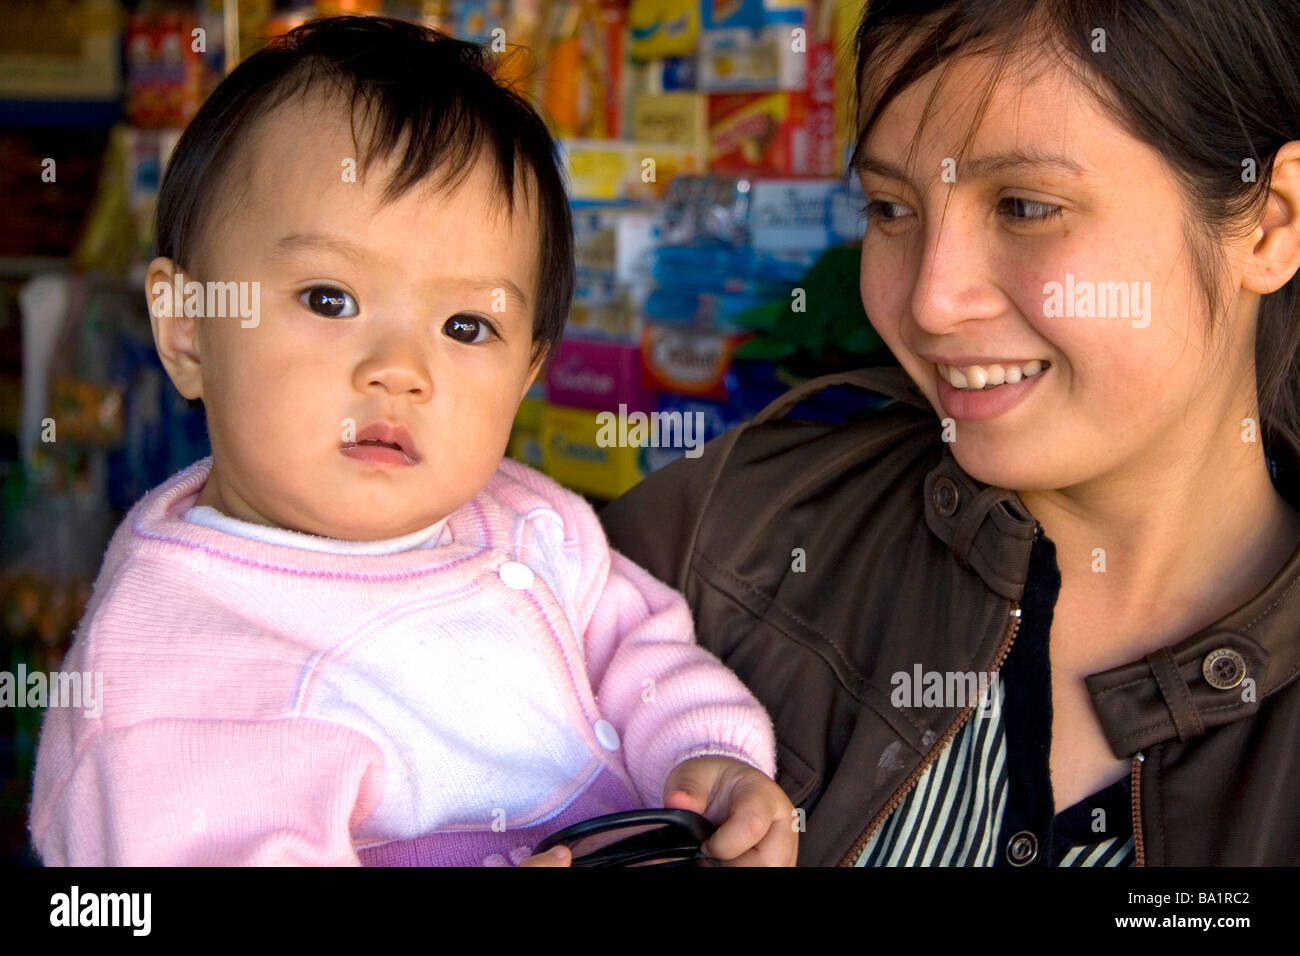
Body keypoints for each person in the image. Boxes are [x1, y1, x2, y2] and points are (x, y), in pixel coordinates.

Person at [27, 16, 796, 867]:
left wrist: (708, 762)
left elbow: (641, 649)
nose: (401, 370)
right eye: (328, 300)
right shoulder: (171, 677)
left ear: (530, 370)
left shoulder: (531, 522)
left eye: (466, 326)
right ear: (187, 328)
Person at [602, 0, 1300, 866]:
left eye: (1025, 205)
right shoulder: (713, 543)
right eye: (892, 209)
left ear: (1271, 221)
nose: (931, 300)